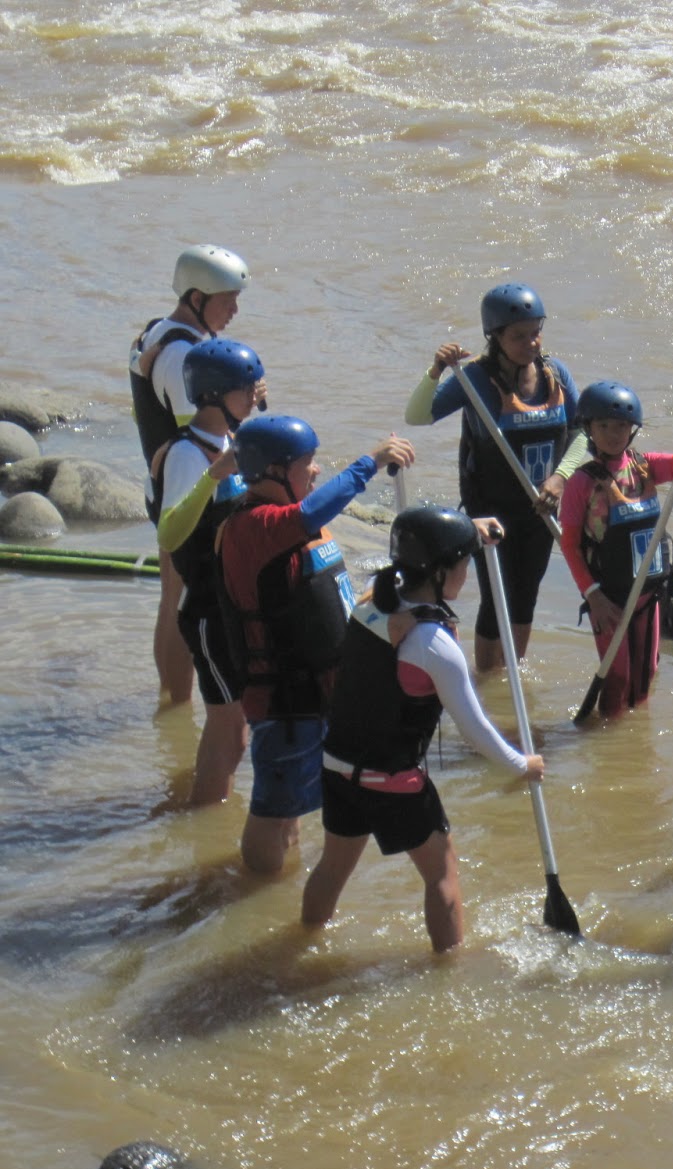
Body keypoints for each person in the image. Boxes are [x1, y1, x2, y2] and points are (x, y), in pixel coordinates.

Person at [305, 505, 547, 952]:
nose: (467, 575)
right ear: (439, 572)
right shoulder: (434, 644)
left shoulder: (369, 603)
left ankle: (302, 942)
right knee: (442, 873)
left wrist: (469, 535)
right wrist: (521, 765)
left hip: (337, 767)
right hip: (393, 781)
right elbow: (475, 730)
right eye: (462, 565)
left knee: (332, 869)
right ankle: (448, 973)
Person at [217, 414, 415, 874]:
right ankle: (252, 903)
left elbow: (325, 596)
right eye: (307, 463)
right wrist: (371, 461)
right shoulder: (258, 525)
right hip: (282, 700)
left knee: (293, 811)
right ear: (273, 472)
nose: (316, 471)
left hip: (317, 692)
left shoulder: (295, 526)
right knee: (272, 812)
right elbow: (311, 511)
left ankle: (282, 887)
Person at [403, 282, 587, 673]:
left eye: (536, 332)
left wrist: (560, 478)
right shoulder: (475, 380)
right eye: (519, 336)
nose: (531, 342)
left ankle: (512, 675)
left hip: (541, 507)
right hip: (491, 509)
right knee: (496, 598)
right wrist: (435, 371)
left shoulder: (556, 374)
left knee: (526, 596)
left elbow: (581, 433)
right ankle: (488, 680)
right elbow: (418, 415)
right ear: (496, 337)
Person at [129, 243, 253, 704]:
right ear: (197, 298)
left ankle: (174, 700)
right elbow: (203, 430)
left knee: (172, 598)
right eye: (227, 300)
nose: (235, 310)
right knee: (180, 601)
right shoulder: (183, 356)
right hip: (182, 489)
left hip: (165, 483)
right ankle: (176, 704)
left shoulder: (160, 333)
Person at [147, 338, 259, 809]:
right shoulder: (189, 454)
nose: (255, 397)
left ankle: (209, 812)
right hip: (208, 606)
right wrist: (216, 476)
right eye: (246, 391)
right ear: (213, 396)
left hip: (233, 601)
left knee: (238, 728)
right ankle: (202, 823)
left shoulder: (230, 439)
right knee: (230, 730)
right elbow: (172, 534)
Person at [558, 381, 673, 718]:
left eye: (622, 426)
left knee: (646, 674)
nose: (614, 434)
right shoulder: (581, 483)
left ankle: (634, 740)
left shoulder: (645, 466)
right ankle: (608, 739)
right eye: (604, 426)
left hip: (647, 594)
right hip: (608, 598)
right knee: (617, 676)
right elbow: (569, 545)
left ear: (633, 429)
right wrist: (593, 595)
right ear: (589, 429)